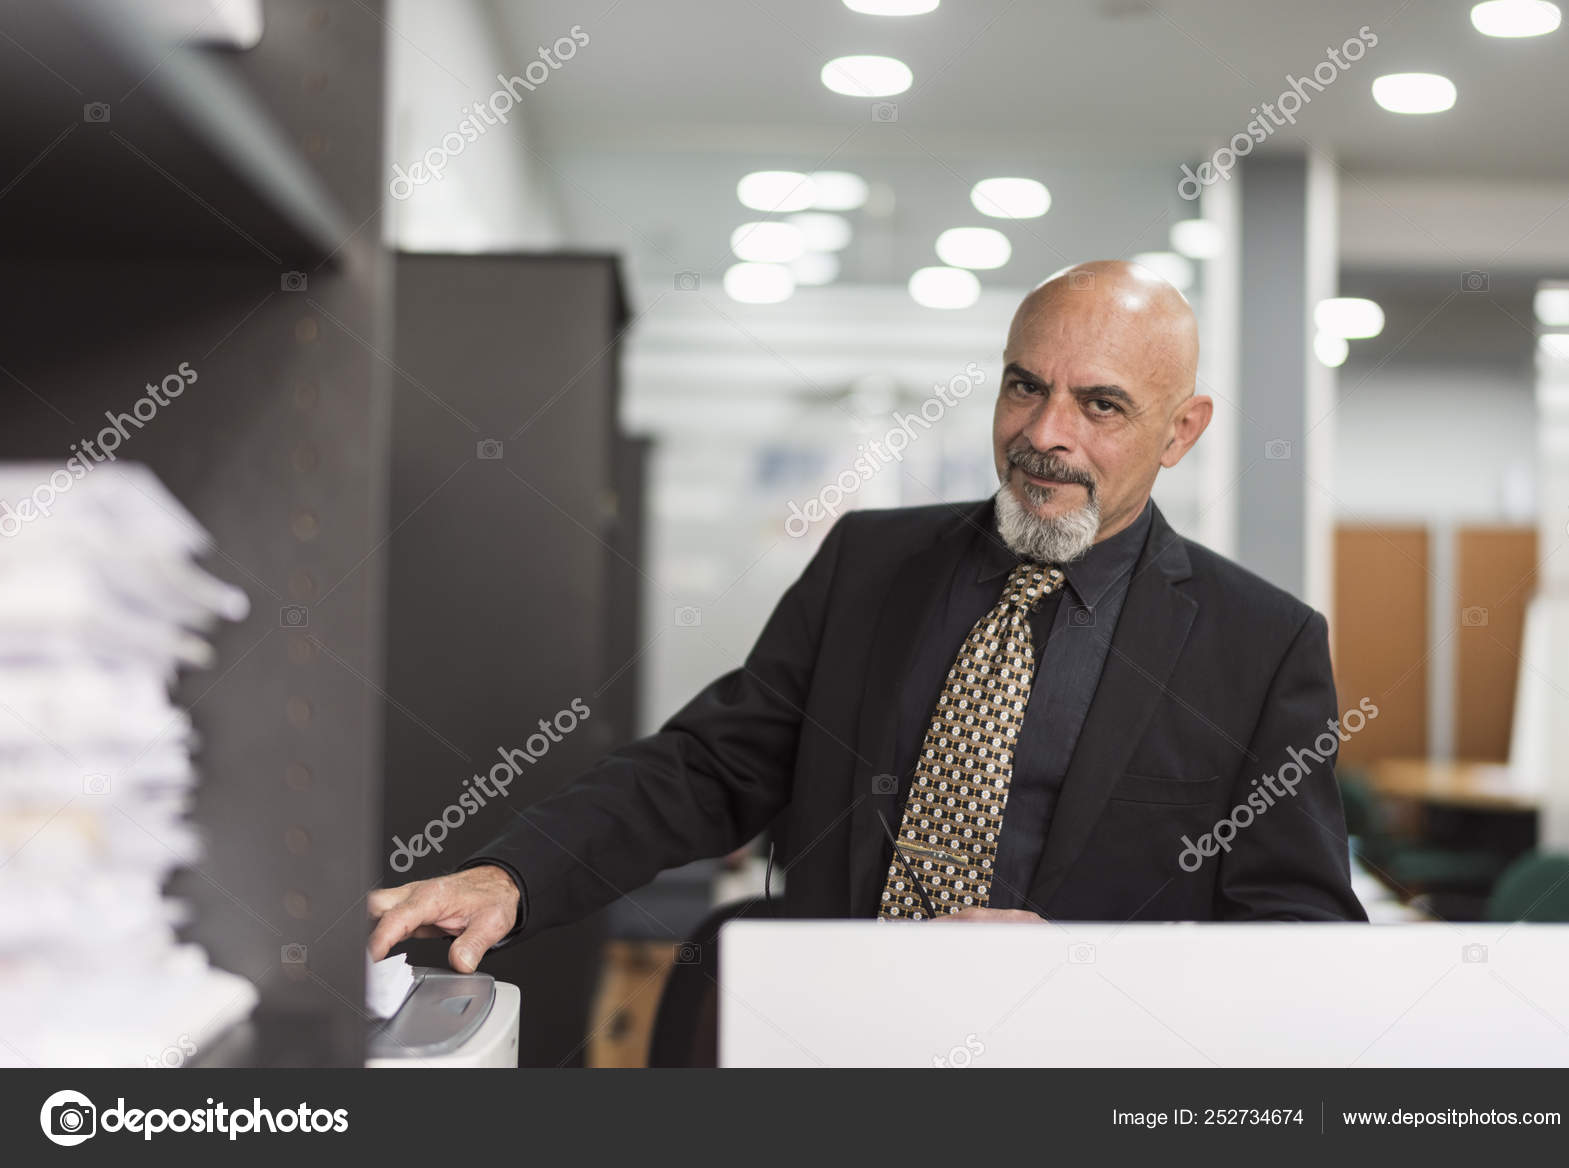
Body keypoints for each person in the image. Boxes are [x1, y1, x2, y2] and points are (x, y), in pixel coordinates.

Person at [369, 259, 1366, 974]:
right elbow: (710, 767)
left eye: (1100, 406)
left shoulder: (1258, 646)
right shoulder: (873, 564)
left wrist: (1084, 967)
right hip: (829, 1047)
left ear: (1180, 431)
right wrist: (516, 874)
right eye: (1024, 386)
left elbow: (1300, 934)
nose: (1044, 434)